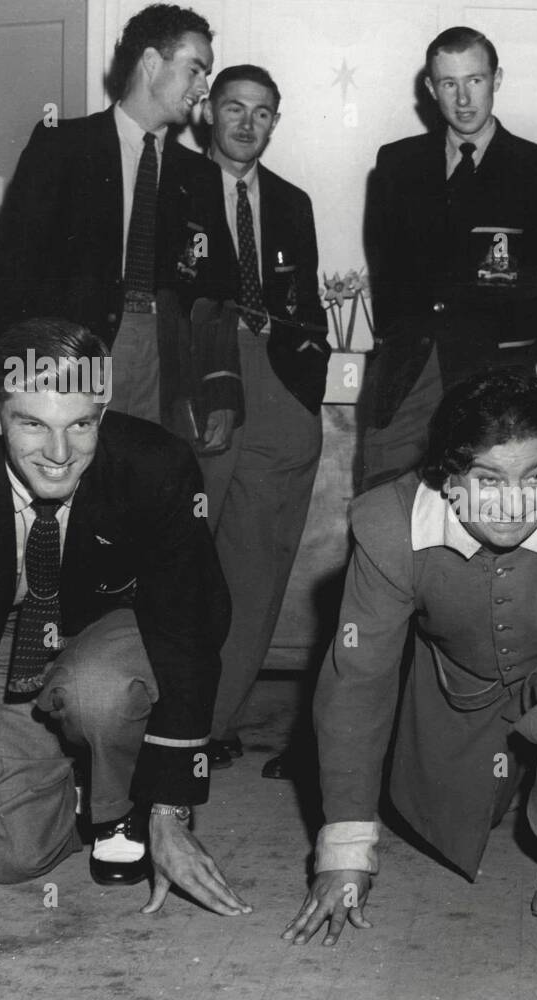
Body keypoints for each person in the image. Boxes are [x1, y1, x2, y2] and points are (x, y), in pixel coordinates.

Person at [285, 372, 537, 959]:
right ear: (448, 479)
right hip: (458, 694)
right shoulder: (390, 524)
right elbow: (357, 684)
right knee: (448, 812)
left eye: (535, 478)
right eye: (487, 480)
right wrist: (345, 852)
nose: (514, 502)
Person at [0, 318, 249, 917]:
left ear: (103, 413)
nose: (60, 455)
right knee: (5, 858)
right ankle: (82, 779)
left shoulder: (159, 465)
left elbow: (189, 629)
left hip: (111, 628)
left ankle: (126, 799)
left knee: (99, 694)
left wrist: (170, 811)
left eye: (81, 425)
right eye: (33, 423)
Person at [0, 3, 240, 430]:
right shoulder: (60, 147)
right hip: (72, 356)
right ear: (152, 62)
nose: (204, 87)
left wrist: (221, 391)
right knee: (78, 483)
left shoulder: (201, 176)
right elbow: (13, 276)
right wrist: (6, 384)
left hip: (166, 363)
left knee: (149, 482)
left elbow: (217, 293)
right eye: (196, 69)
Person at [357, 26, 537, 493]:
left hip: (495, 377)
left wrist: (508, 354)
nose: (463, 98)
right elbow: (386, 269)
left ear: (497, 79)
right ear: (429, 87)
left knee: (487, 507)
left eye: (475, 80)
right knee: (385, 503)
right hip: (408, 373)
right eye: (448, 83)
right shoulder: (397, 164)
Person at [195, 64, 330, 769]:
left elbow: (303, 295)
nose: (247, 123)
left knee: (255, 563)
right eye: (234, 108)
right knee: (183, 557)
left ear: (276, 121)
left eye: (263, 112)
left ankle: (215, 720)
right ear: (207, 114)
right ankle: (159, 712)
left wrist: (310, 374)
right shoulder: (173, 188)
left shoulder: (291, 201)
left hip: (279, 384)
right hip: (199, 380)